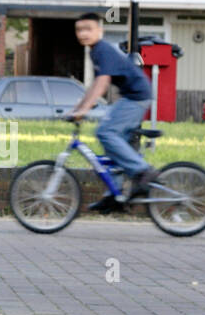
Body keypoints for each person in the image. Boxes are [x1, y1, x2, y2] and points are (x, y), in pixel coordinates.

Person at [68, 12, 159, 208]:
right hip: (131, 96)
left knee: (105, 132)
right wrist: (79, 107)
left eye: (88, 29)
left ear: (99, 31)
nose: (83, 33)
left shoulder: (102, 49)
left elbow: (103, 82)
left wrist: (83, 110)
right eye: (79, 30)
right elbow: (94, 87)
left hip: (136, 96)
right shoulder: (95, 51)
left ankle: (143, 171)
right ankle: (115, 195)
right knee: (114, 144)